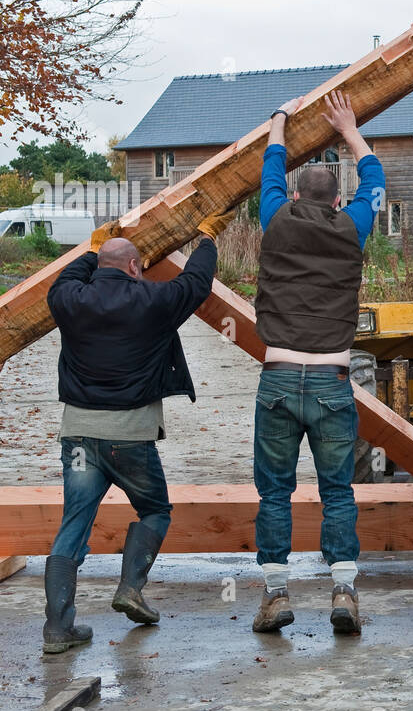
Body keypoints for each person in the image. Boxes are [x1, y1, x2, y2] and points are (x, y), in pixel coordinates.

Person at [41, 217, 220, 653]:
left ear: (100, 264)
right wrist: (207, 240)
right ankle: (130, 588)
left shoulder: (69, 300)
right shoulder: (154, 301)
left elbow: (65, 279)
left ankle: (57, 630)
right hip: (131, 437)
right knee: (155, 510)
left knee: (74, 524)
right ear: (137, 267)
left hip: (79, 436)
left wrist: (90, 250)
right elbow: (195, 283)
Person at [249, 90, 385, 636]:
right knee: (337, 490)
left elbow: (270, 172)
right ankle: (345, 590)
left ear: (297, 196)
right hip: (332, 379)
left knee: (275, 490)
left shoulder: (276, 220)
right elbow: (376, 184)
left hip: (279, 378)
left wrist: (280, 119)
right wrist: (350, 129)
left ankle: (277, 593)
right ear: (335, 202)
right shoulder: (352, 227)